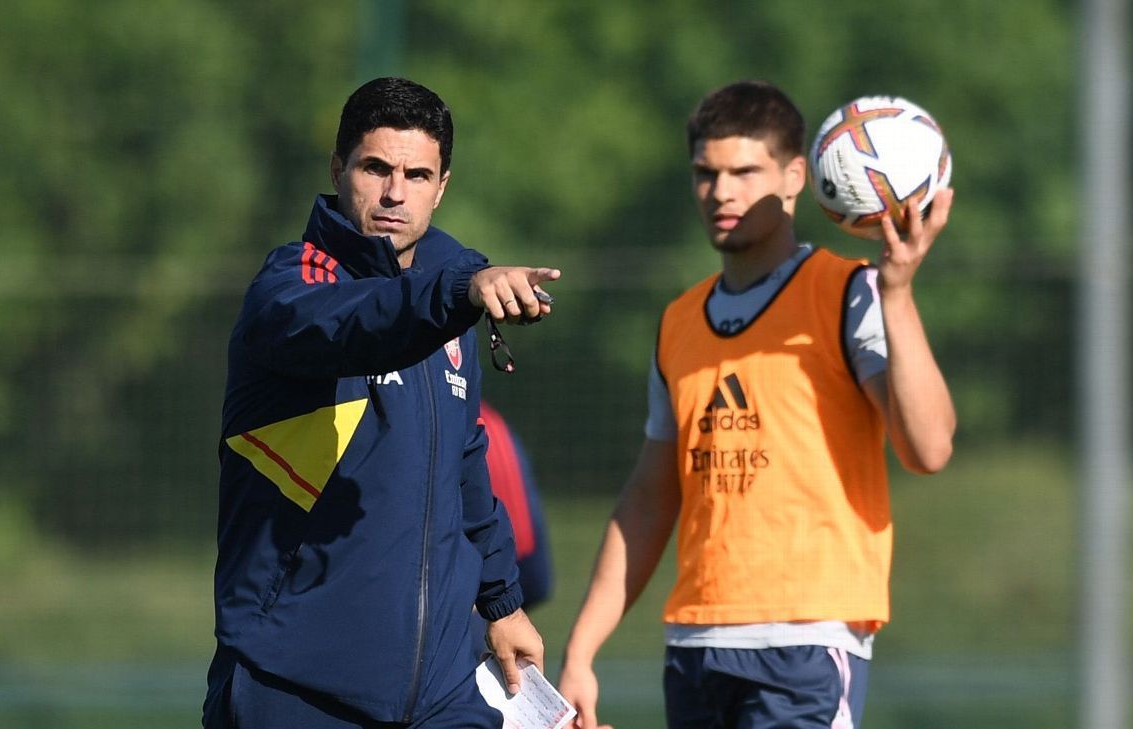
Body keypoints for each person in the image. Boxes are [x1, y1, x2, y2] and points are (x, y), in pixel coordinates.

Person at [557, 80, 956, 729]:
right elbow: (649, 499)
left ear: (796, 177)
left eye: (745, 171)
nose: (722, 191)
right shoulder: (679, 321)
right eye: (705, 174)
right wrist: (581, 649)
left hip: (804, 645)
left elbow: (929, 446)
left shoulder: (849, 293)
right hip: (696, 646)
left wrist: (899, 293)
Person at [203, 77, 560, 729]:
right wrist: (455, 293)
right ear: (339, 168)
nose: (397, 192)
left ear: (442, 185)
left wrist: (504, 602)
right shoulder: (292, 289)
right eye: (376, 168)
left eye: (418, 174)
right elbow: (365, 322)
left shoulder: (451, 297)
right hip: (295, 686)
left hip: (442, 693)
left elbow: (465, 463)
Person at [470, 400, 555, 658]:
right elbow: (537, 578)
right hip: (511, 591)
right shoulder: (489, 420)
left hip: (476, 607)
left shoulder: (457, 420)